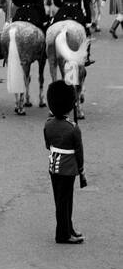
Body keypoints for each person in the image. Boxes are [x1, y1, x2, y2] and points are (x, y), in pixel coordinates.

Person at [44, 81, 84, 244]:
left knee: (61, 200)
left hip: (54, 166)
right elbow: (79, 151)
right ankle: (63, 234)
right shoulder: (73, 128)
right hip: (68, 168)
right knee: (65, 201)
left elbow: (47, 145)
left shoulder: (48, 125)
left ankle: (68, 228)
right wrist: (81, 169)